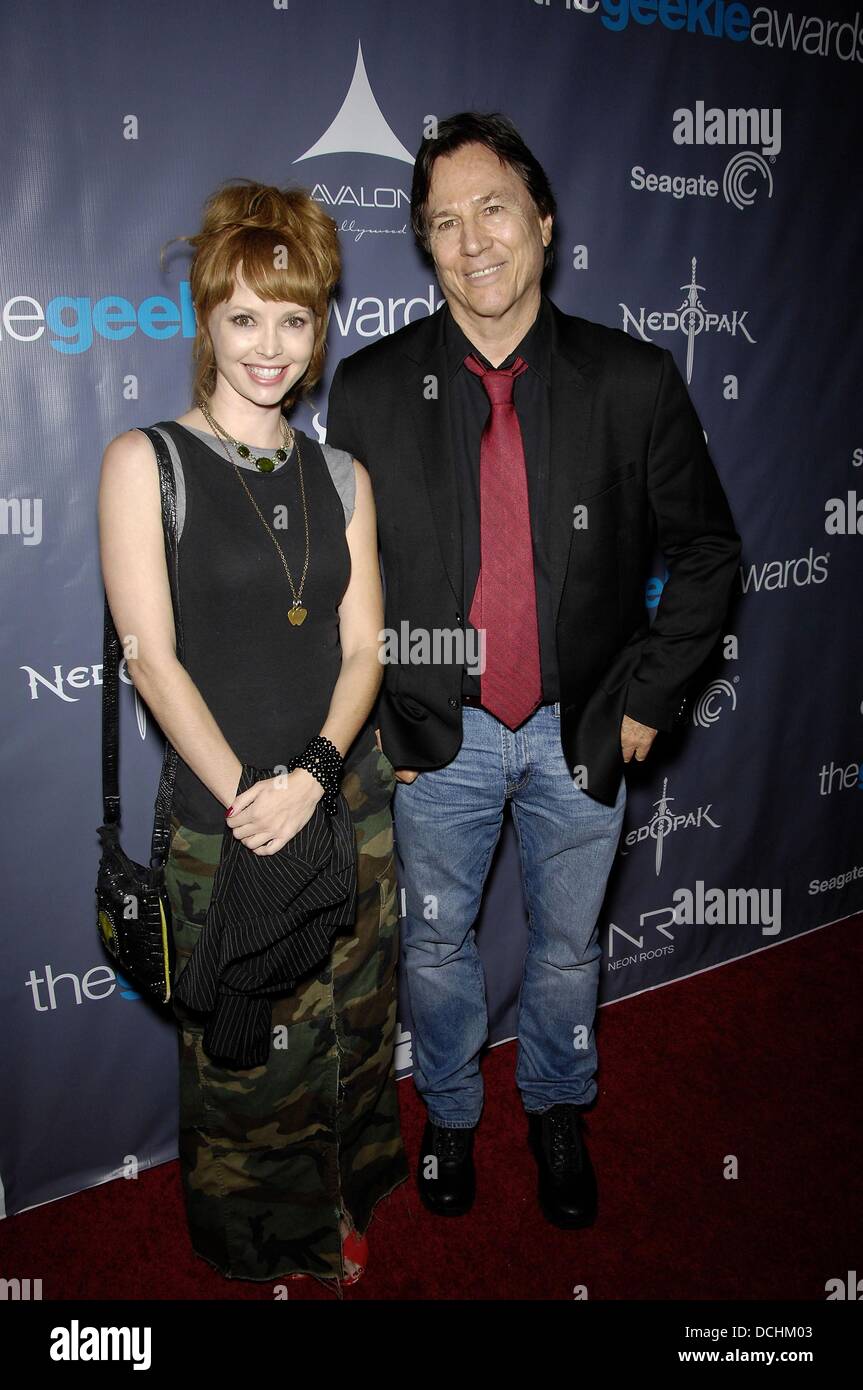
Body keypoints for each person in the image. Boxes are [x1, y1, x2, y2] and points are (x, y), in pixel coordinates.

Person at [326, 113, 742, 1229]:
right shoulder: (365, 394)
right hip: (434, 741)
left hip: (584, 729)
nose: (470, 243)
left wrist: (648, 702)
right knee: (438, 943)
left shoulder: (632, 379)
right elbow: (343, 588)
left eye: (492, 208)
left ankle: (557, 1105)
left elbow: (706, 553)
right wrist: (384, 722)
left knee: (565, 950)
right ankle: (451, 1116)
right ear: (425, 246)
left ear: (542, 223)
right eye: (442, 224)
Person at [98, 180, 408, 1290]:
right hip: (225, 822)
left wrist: (315, 778)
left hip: (348, 802)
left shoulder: (343, 476)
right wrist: (256, 795)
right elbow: (151, 657)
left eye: (294, 318)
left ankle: (345, 1193)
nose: (269, 347)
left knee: (356, 1019)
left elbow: (365, 648)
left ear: (319, 326)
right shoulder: (147, 463)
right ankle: (261, 1235)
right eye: (244, 317)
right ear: (206, 322)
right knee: (245, 1052)